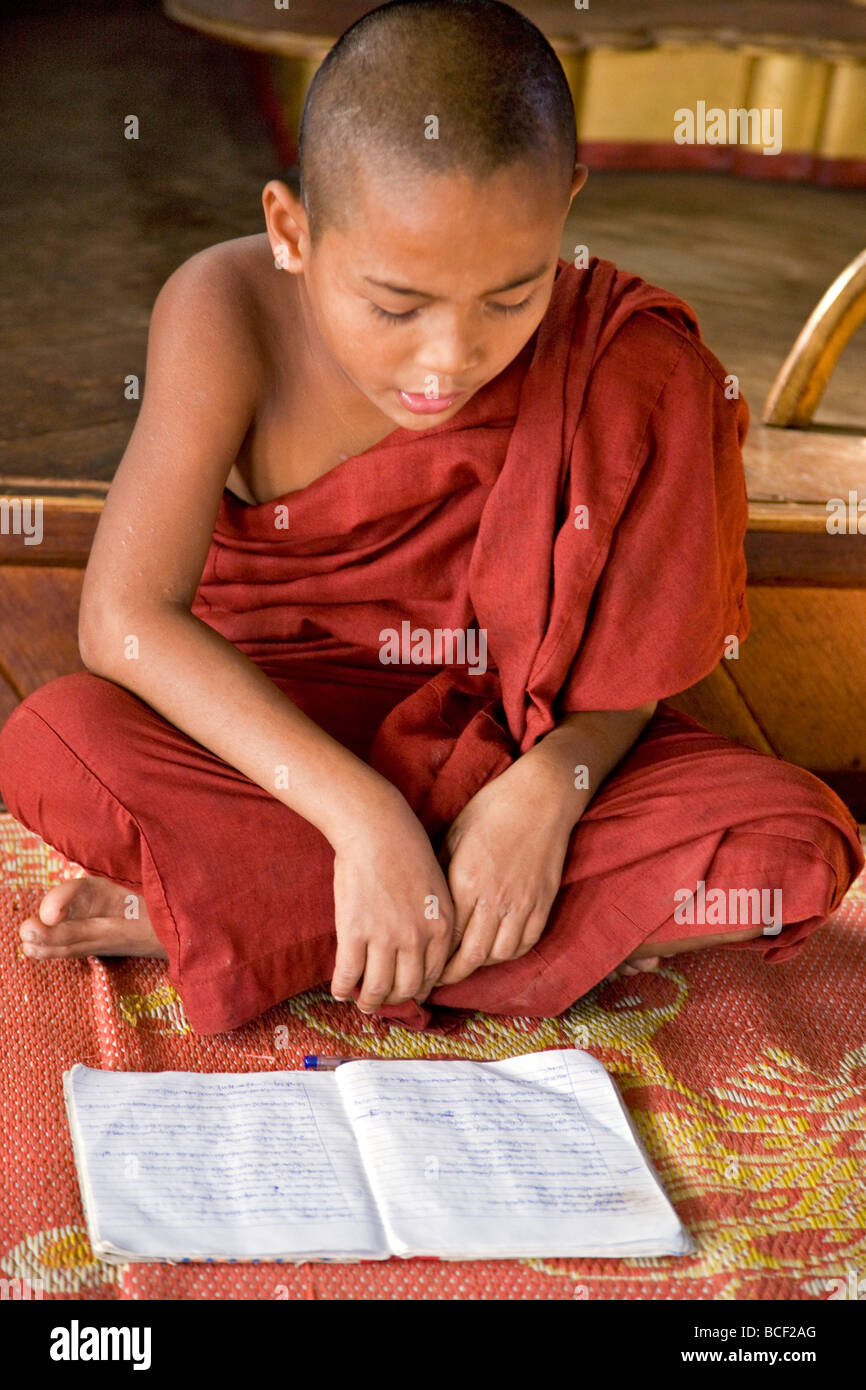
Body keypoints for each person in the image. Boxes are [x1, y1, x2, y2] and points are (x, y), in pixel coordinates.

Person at [0, 0, 861, 1036]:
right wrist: (362, 817)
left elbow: (634, 673)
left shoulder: (632, 360)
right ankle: (360, 905)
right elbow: (127, 621)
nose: (449, 358)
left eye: (511, 295)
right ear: (291, 231)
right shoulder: (225, 306)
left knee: (789, 844)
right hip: (272, 741)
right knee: (56, 738)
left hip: (506, 735)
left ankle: (233, 915)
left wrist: (550, 790)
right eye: (397, 306)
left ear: (565, 211)